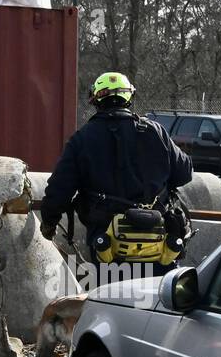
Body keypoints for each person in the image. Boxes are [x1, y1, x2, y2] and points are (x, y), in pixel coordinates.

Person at [40, 72, 194, 279]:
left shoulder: (82, 139)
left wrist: (49, 222)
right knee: (157, 303)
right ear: (129, 98)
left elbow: (60, 188)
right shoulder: (155, 132)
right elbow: (184, 173)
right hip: (157, 243)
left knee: (113, 301)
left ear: (96, 100)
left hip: (107, 246)